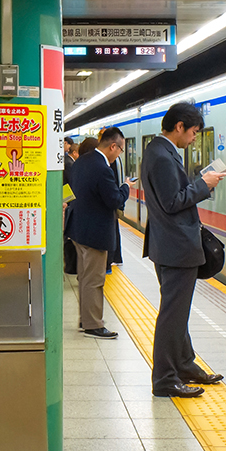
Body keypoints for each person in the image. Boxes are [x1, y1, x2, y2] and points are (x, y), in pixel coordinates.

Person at [139, 102, 226, 398]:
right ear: (179, 127)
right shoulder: (163, 156)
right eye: (192, 132)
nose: (193, 138)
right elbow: (173, 201)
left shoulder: (158, 151)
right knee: (172, 315)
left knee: (177, 312)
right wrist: (204, 184)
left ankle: (185, 363)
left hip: (168, 244)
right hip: (176, 247)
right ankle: (165, 379)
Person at [65, 127, 131, 339]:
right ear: (113, 146)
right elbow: (115, 200)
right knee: (94, 279)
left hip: (78, 228)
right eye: (120, 150)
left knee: (85, 278)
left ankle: (86, 319)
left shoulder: (82, 161)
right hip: (95, 232)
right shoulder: (103, 168)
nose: (118, 155)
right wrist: (126, 187)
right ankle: (93, 325)